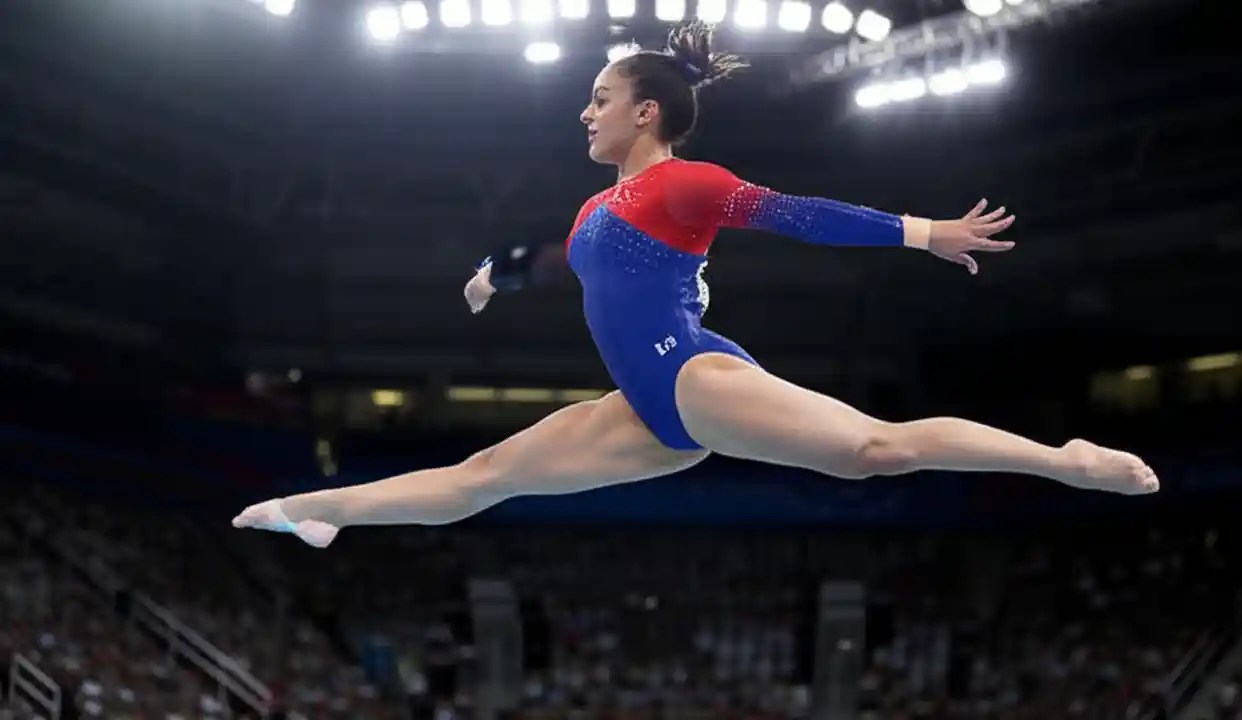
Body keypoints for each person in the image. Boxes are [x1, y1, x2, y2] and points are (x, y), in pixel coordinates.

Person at [232, 21, 1158, 549]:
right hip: (644, 412)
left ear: (645, 111)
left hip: (691, 375)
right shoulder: (604, 206)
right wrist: (492, 276)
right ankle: (320, 512)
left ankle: (1063, 459)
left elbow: (800, 213)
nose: (583, 109)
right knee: (482, 479)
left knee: (875, 452)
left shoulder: (687, 182)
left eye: (599, 97)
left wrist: (925, 232)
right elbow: (558, 256)